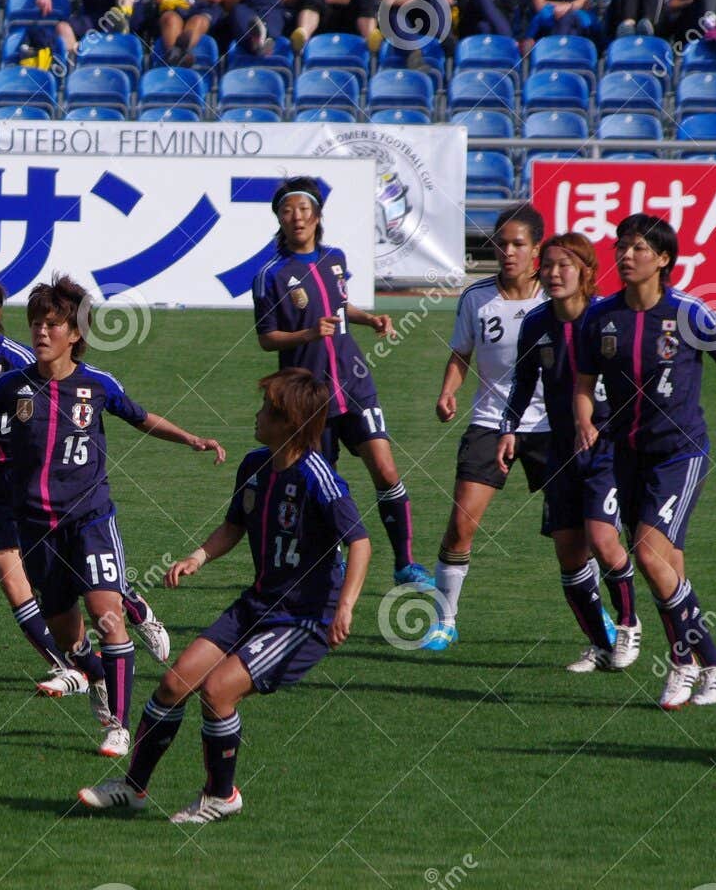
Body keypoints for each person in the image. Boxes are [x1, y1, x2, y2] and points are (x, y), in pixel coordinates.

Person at [0, 275, 225, 758]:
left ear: (75, 334)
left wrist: (190, 438)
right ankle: (91, 676)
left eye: (52, 324)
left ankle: (119, 725)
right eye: (36, 323)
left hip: (90, 518)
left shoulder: (97, 384)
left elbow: (140, 417)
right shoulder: (12, 386)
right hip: (35, 526)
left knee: (105, 615)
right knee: (69, 637)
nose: (41, 332)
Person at [77, 369, 370, 823]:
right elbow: (234, 526)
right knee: (174, 684)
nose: (257, 415)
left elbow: (360, 542)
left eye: (266, 409)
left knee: (216, 692)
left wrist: (345, 606)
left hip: (304, 617)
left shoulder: (318, 477)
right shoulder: (254, 466)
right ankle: (132, 789)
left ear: (290, 422)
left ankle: (220, 795)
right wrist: (197, 557)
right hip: (258, 603)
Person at [575, 213, 716, 709]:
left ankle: (682, 662)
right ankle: (714, 661)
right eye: (621, 246)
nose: (625, 255)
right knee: (667, 567)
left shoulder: (689, 313)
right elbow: (583, 381)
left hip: (681, 453)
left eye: (638, 248)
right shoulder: (601, 317)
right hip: (626, 453)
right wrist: (584, 421)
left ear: (662, 259)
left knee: (647, 554)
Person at [252, 176, 433, 589]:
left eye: (303, 209)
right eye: (287, 211)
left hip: (355, 381)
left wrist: (369, 319)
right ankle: (327, 565)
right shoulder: (270, 275)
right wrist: (307, 334)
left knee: (386, 469)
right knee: (323, 482)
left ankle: (405, 563)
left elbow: (339, 304)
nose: (296, 217)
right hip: (307, 395)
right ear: (279, 219)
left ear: (317, 215)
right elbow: (266, 338)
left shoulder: (335, 258)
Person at [498, 233, 640, 673]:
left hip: (607, 448)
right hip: (560, 449)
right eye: (548, 265)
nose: (554, 273)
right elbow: (523, 381)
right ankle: (600, 645)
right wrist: (508, 428)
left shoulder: (607, 318)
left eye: (565, 265)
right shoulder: (536, 323)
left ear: (586, 271)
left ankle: (628, 624)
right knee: (569, 553)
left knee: (603, 541)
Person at [423, 205, 551, 651]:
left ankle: (604, 619)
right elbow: (461, 353)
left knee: (579, 533)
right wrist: (448, 391)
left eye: (518, 244)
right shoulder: (476, 298)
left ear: (537, 248)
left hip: (550, 425)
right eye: (502, 243)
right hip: (490, 421)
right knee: (461, 525)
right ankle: (445, 620)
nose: (508, 251)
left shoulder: (556, 298)